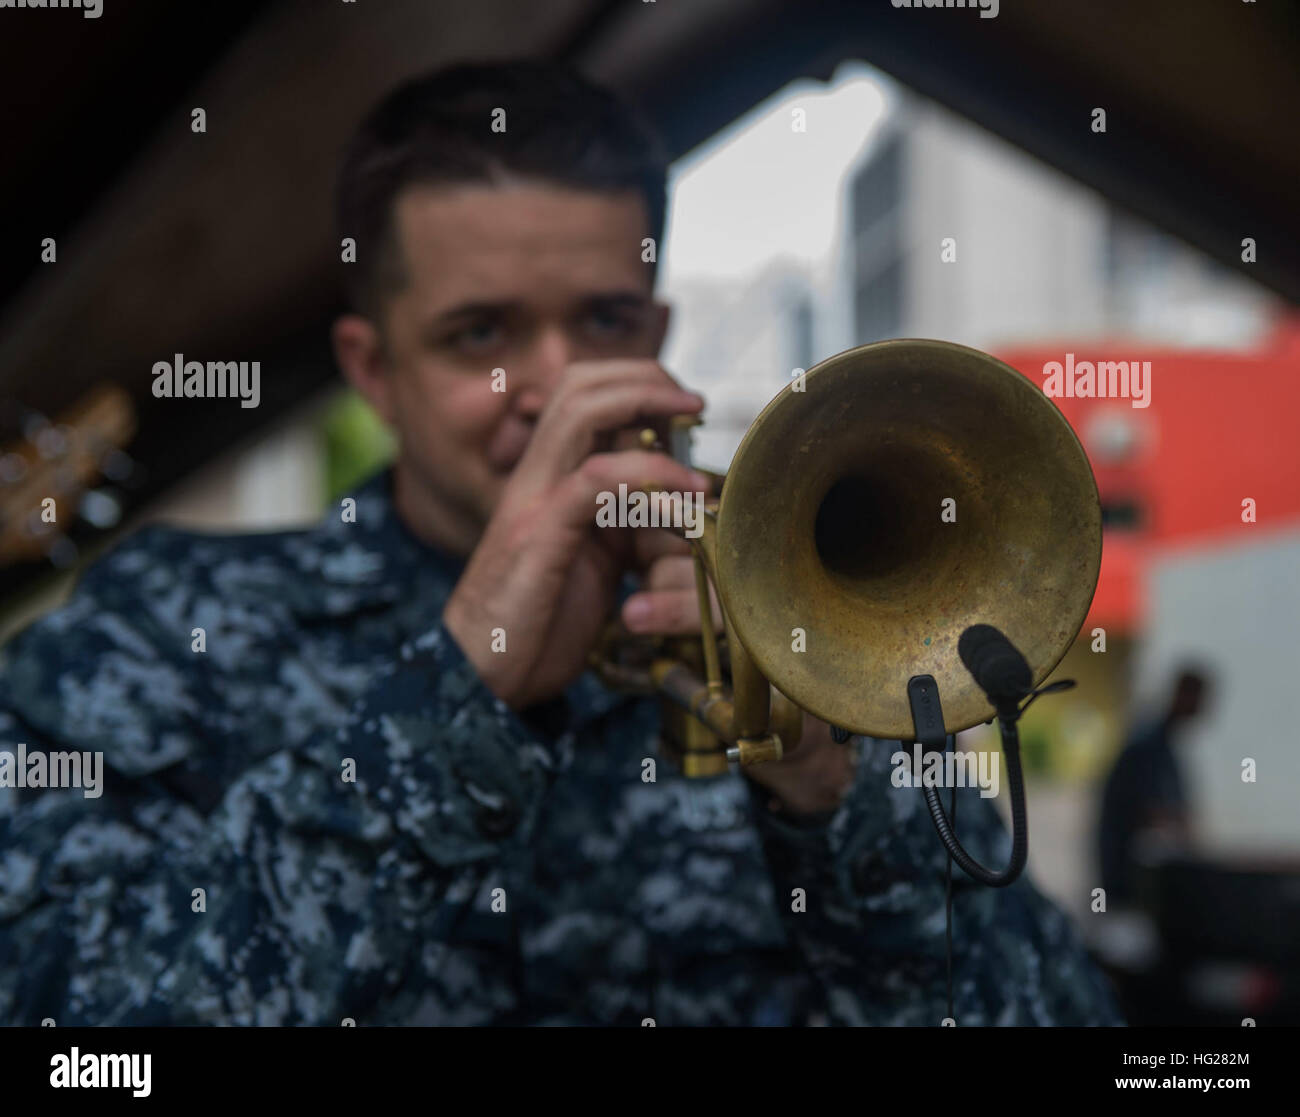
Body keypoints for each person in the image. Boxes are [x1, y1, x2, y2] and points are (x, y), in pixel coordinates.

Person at [0, 60, 1120, 1026]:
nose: (554, 387)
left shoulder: (819, 635)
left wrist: (831, 787)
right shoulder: (161, 626)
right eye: (478, 333)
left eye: (603, 320)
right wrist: (459, 697)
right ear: (372, 372)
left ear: (659, 333)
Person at [1098, 667, 1209, 907]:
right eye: (1199, 698)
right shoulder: (1147, 746)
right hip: (1127, 883)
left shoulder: (1163, 746)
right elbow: (1153, 812)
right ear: (1182, 695)